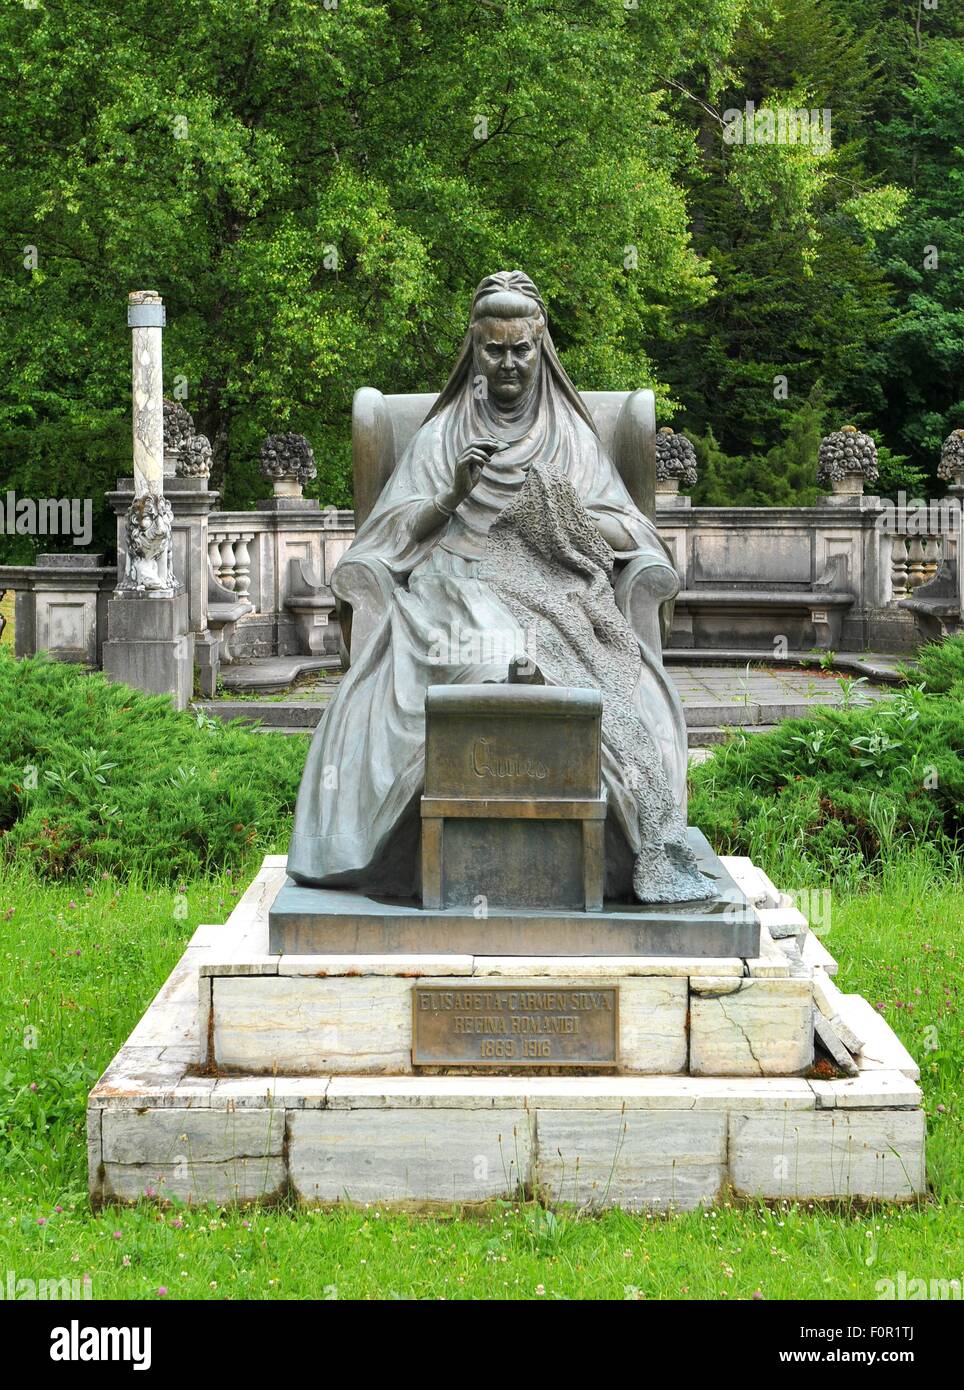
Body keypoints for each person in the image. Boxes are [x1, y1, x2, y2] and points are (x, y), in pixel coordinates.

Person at [287, 271, 714, 904]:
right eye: (495, 349)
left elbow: (629, 532)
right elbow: (392, 533)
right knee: (484, 654)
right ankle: (443, 847)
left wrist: (559, 504)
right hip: (456, 582)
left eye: (522, 349)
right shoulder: (441, 435)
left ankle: (597, 852)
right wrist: (452, 493)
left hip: (557, 583)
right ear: (474, 349)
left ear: (541, 347)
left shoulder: (571, 436)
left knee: (617, 690)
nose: (509, 364)